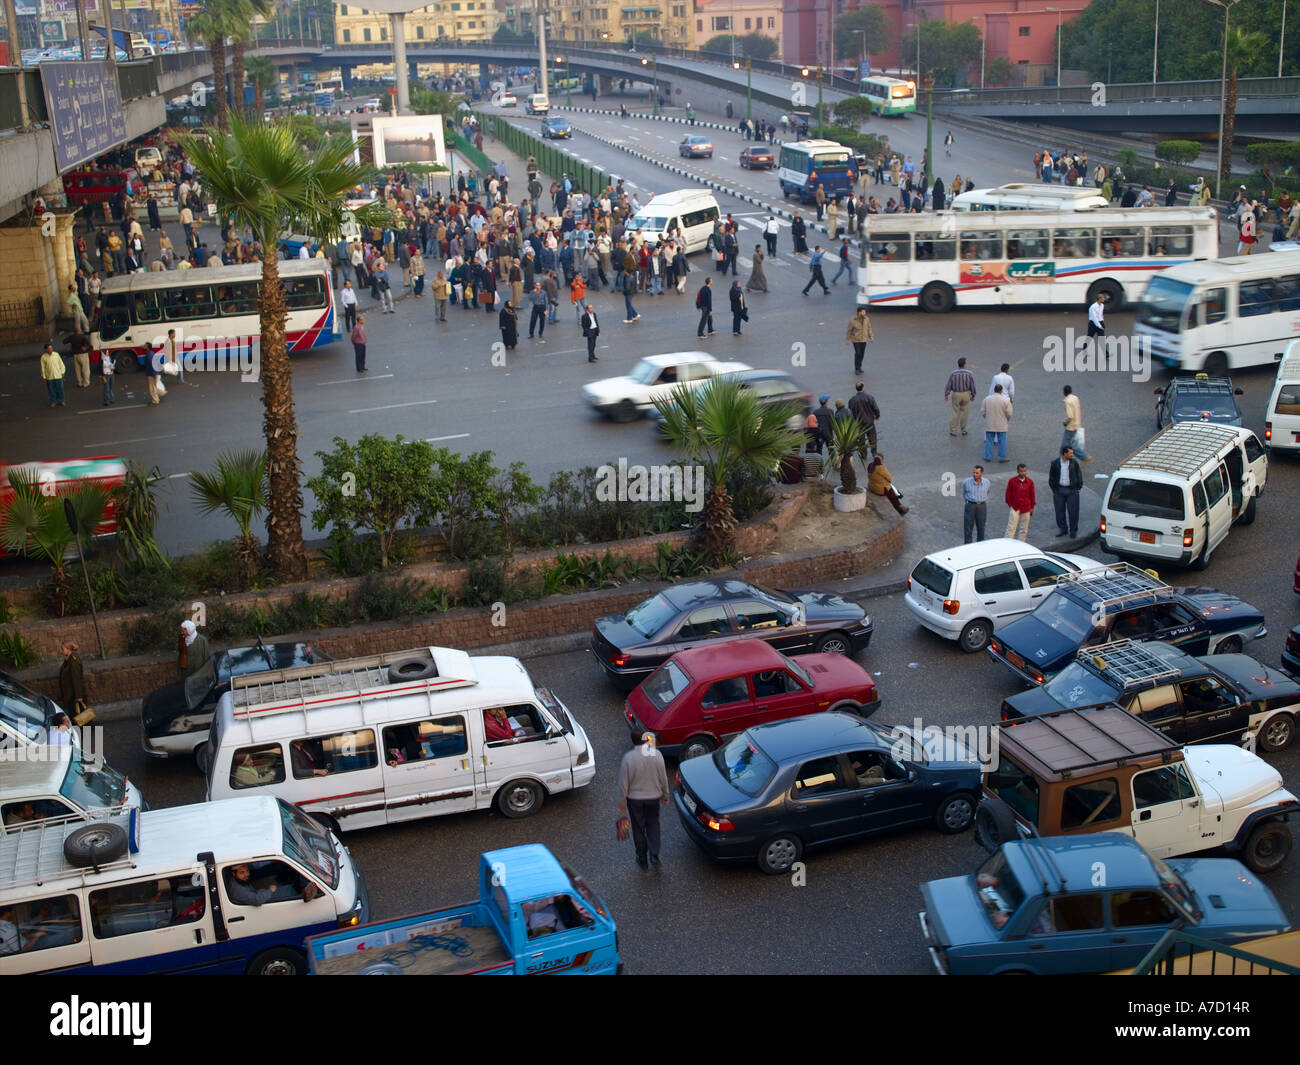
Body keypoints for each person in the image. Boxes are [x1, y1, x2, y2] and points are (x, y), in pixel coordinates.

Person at [617, 730, 670, 869]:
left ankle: (642, 857)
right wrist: (665, 796)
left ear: (632, 741)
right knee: (653, 824)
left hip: (634, 800)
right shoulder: (656, 755)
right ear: (646, 739)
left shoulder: (628, 758)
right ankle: (654, 854)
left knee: (638, 827)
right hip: (653, 798)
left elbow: (624, 784)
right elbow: (663, 778)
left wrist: (622, 803)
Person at [226, 862, 317, 906]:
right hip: (258, 900)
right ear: (234, 874)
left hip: (257, 894)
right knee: (288, 892)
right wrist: (270, 890)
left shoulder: (238, 880)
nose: (246, 874)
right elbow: (256, 900)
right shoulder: (237, 889)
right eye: (242, 872)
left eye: (247, 871)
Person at [1050, 445, 1083, 539]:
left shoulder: (1074, 463)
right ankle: (1063, 529)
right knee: (1059, 511)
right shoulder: (1055, 463)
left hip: (1072, 490)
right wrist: (1054, 489)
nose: (1072, 455)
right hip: (1059, 490)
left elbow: (1079, 475)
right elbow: (1051, 477)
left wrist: (1078, 488)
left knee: (1073, 512)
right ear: (1065, 454)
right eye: (1070, 453)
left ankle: (1073, 531)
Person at [980, 383, 1013, 463]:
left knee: (989, 441)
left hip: (990, 423)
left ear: (994, 390)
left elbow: (983, 411)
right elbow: (1009, 413)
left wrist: (986, 417)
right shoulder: (1006, 400)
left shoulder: (987, 399)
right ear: (1001, 391)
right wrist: (1007, 420)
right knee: (1002, 441)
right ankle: (1002, 457)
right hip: (1002, 424)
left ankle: (988, 456)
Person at [944, 357, 976, 436]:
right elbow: (972, 385)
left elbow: (949, 384)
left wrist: (946, 394)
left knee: (955, 412)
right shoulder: (969, 373)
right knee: (964, 412)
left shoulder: (953, 373)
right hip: (966, 394)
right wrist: (973, 395)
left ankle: (953, 430)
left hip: (956, 394)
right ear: (965, 364)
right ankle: (963, 430)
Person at [58, 640, 88, 722]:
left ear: (68, 649)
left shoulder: (74, 660)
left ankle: (87, 729)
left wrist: (79, 695)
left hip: (73, 694)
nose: (61, 651)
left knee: (80, 714)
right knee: (75, 714)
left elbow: (76, 678)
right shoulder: (68, 660)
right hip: (69, 693)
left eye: (63, 649)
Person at [1005, 464, 1036, 541]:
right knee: (1011, 527)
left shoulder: (1030, 482)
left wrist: (1032, 507)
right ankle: (1007, 544)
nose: (1023, 473)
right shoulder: (1012, 481)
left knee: (1024, 529)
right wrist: (1010, 504)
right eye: (1021, 471)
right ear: (1018, 471)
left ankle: (1021, 545)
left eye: (1024, 471)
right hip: (1015, 507)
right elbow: (1008, 494)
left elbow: (1032, 495)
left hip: (1026, 507)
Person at [849, 381, 880, 452]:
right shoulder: (869, 397)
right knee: (872, 437)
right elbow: (875, 408)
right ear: (863, 388)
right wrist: (877, 415)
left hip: (858, 422)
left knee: (861, 439)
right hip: (869, 420)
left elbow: (850, 412)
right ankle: (874, 452)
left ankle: (863, 454)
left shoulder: (852, 400)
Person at [1062, 384, 1089, 464]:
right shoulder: (1075, 398)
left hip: (1071, 427)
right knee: (1069, 444)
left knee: (1065, 445)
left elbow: (1070, 416)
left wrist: (1065, 422)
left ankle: (1083, 457)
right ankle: (1081, 457)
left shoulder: (1067, 401)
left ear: (1064, 392)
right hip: (1077, 423)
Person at [962, 465, 989, 544]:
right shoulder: (966, 482)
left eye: (977, 473)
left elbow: (987, 492)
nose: (975, 474)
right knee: (968, 527)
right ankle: (967, 545)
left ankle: (980, 545)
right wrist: (968, 501)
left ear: (982, 473)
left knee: (981, 527)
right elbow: (964, 493)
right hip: (970, 505)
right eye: (974, 472)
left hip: (982, 506)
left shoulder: (987, 482)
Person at [845, 307, 874, 375]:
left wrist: (871, 337)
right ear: (859, 312)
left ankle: (859, 367)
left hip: (863, 339)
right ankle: (856, 369)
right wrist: (848, 339)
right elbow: (849, 330)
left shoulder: (867, 319)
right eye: (863, 312)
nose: (865, 313)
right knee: (858, 353)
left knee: (862, 354)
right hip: (856, 339)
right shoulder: (853, 320)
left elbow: (869, 328)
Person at [40, 343, 66, 408]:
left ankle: (62, 400)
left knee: (60, 389)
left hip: (58, 375)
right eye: (49, 348)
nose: (50, 350)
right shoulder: (43, 357)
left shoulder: (56, 355)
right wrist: (44, 376)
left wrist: (63, 371)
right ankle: (53, 401)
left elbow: (61, 363)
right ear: (45, 350)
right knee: (52, 390)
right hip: (50, 376)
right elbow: (42, 367)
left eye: (51, 348)